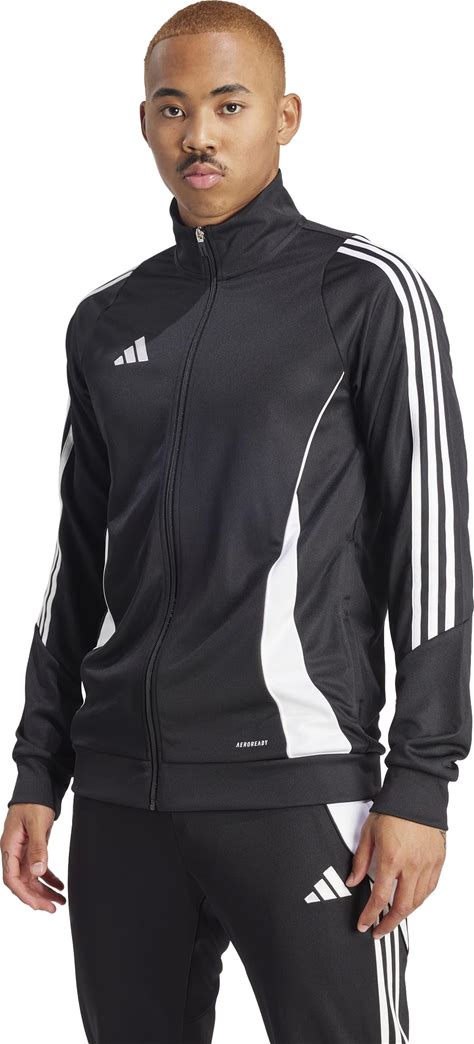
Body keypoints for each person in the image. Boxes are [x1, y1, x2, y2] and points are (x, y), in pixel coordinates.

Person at [2, 2, 472, 1042]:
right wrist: (40, 769)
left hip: (298, 787)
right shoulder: (106, 321)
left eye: (228, 105)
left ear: (285, 116)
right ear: (144, 123)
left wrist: (421, 781)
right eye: (173, 109)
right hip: (123, 798)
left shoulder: (366, 293)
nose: (198, 136)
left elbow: (432, 551)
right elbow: (78, 561)